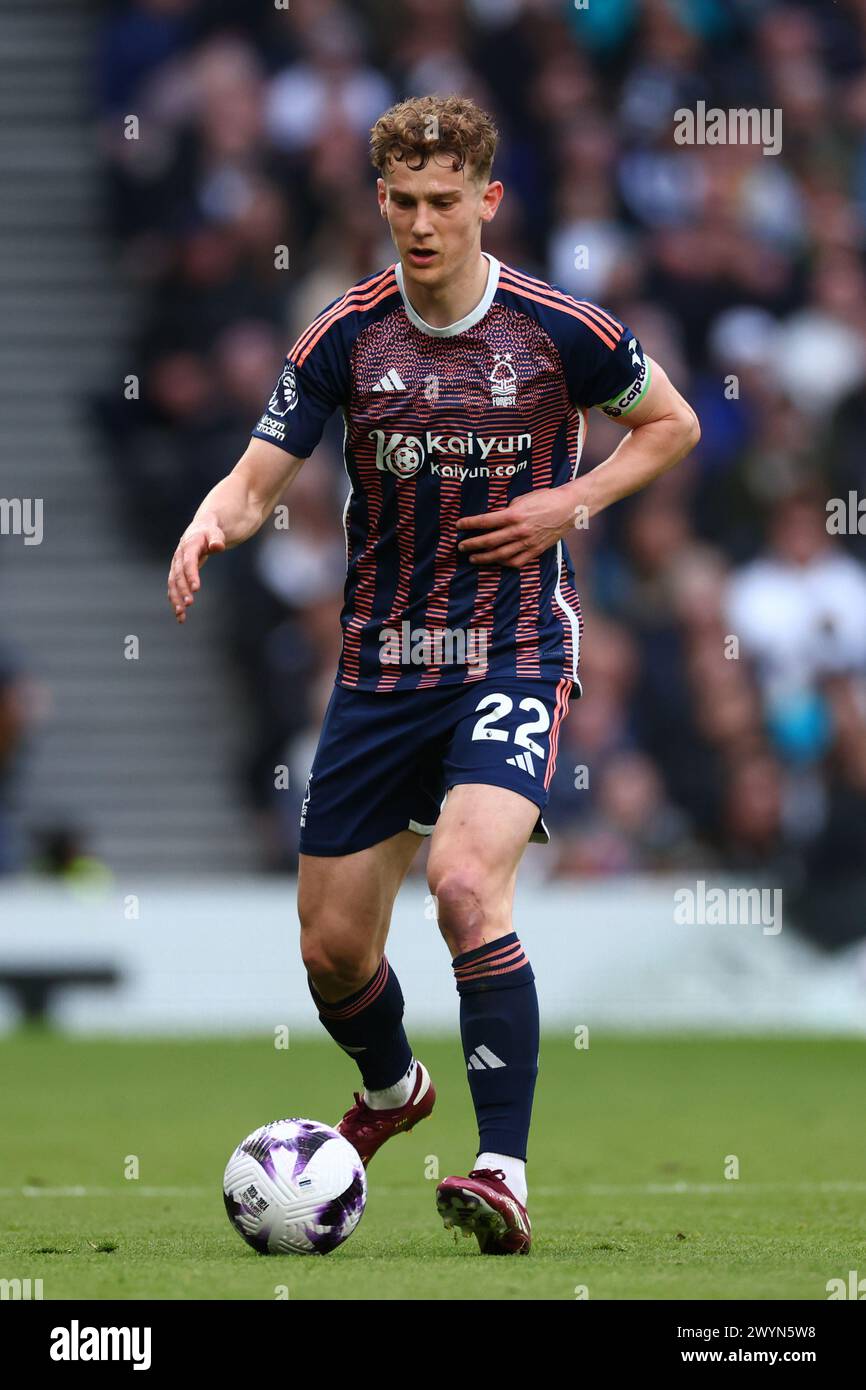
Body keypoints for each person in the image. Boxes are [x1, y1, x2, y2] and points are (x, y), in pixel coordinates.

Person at [166, 94, 699, 1255]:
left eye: (443, 203)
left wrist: (573, 499)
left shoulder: (562, 330)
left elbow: (671, 425)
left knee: (464, 886)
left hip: (508, 653)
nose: (421, 223)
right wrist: (211, 523)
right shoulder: (342, 336)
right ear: (380, 202)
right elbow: (256, 482)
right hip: (378, 670)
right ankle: (398, 1086)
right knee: (330, 950)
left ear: (485, 201)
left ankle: (499, 1166)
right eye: (402, 203)